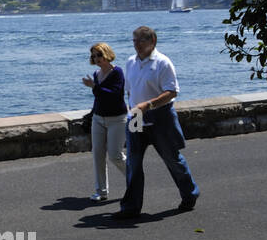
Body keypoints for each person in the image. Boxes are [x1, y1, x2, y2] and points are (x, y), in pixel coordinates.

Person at [110, 26, 201, 220]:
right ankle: (131, 207)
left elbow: (172, 92)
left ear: (153, 41)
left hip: (161, 117)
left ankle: (190, 194)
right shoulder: (130, 62)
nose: (137, 45)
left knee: (172, 159)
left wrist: (148, 104)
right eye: (134, 41)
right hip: (136, 118)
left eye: (141, 41)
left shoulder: (163, 63)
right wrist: (132, 107)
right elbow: (130, 90)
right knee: (133, 163)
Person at [81, 42, 127, 202]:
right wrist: (92, 114)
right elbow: (99, 98)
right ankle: (101, 191)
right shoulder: (96, 74)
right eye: (94, 56)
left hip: (117, 119)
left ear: (106, 53)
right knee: (98, 155)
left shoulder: (117, 72)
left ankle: (134, 179)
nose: (97, 58)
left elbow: (113, 94)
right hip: (98, 118)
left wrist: (94, 87)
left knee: (115, 155)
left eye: (99, 54)